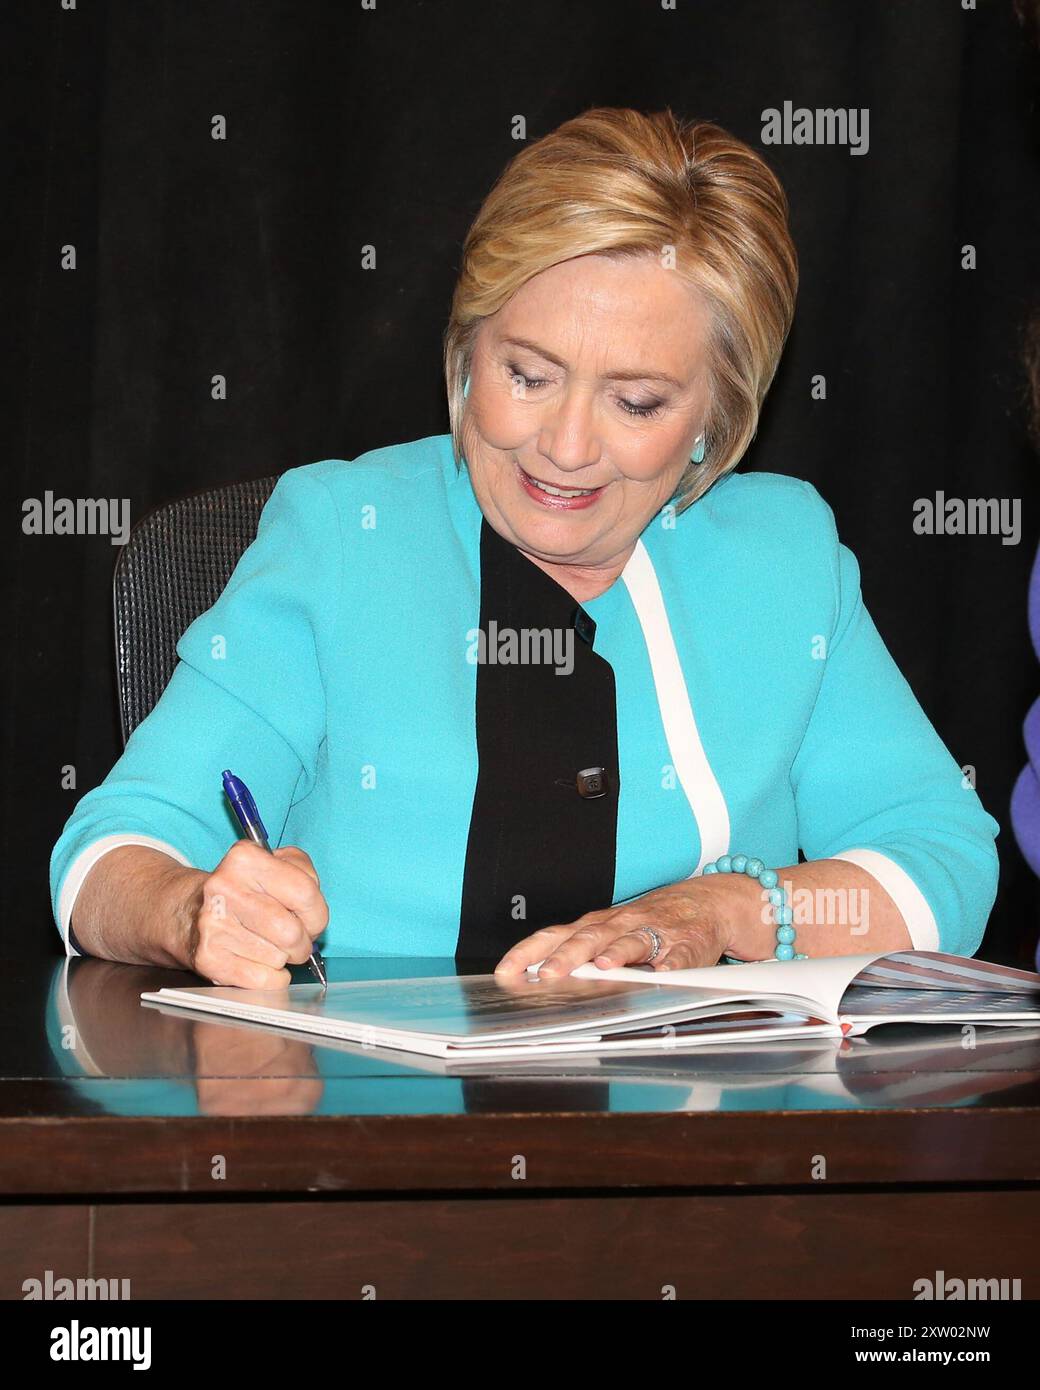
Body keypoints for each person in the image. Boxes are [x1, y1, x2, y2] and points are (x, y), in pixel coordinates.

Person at [50, 107, 1000, 989]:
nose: (567, 447)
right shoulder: (343, 536)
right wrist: (189, 911)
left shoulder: (784, 560)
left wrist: (719, 911)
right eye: (529, 375)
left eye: (636, 402)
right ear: (465, 358)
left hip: (696, 1143)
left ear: (717, 419)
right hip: (368, 1130)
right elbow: (107, 855)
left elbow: (940, 858)